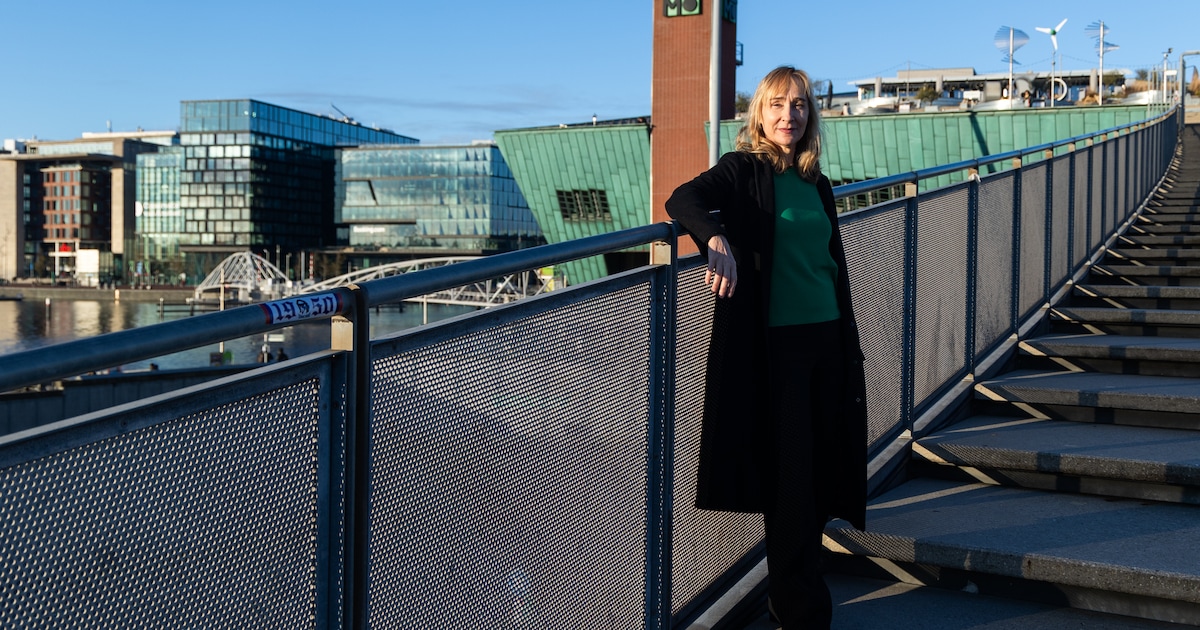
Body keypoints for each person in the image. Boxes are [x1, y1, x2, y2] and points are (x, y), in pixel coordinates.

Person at [665, 65, 868, 629]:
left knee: (821, 471)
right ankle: (799, 606)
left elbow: (826, 264)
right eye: (778, 105)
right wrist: (716, 236)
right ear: (760, 113)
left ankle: (801, 585)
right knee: (793, 480)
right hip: (778, 351)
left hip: (828, 341)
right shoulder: (743, 169)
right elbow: (681, 200)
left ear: (810, 115)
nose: (789, 116)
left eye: (799, 106)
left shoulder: (816, 181)